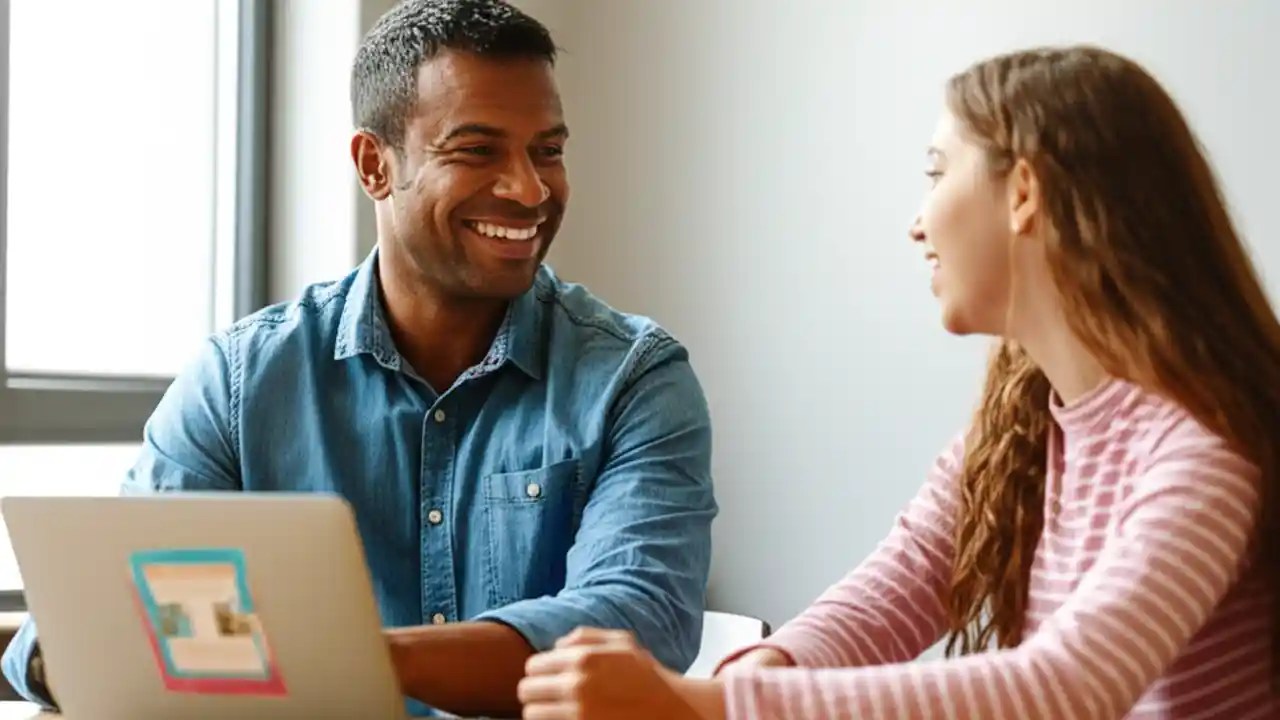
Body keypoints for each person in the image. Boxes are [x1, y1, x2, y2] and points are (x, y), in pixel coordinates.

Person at [517, 44, 1280, 719]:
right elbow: (901, 583)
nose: (919, 223)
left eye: (938, 173)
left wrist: (711, 706)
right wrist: (766, 667)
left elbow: (1068, 688)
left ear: (1024, 192)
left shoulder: (1205, 451)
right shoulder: (1021, 420)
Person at [1, 1, 717, 717]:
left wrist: (340, 657)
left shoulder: (633, 379)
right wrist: (70, 647)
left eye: (548, 151)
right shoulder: (238, 383)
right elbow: (103, 620)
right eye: (477, 151)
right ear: (375, 165)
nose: (529, 189)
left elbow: (637, 623)